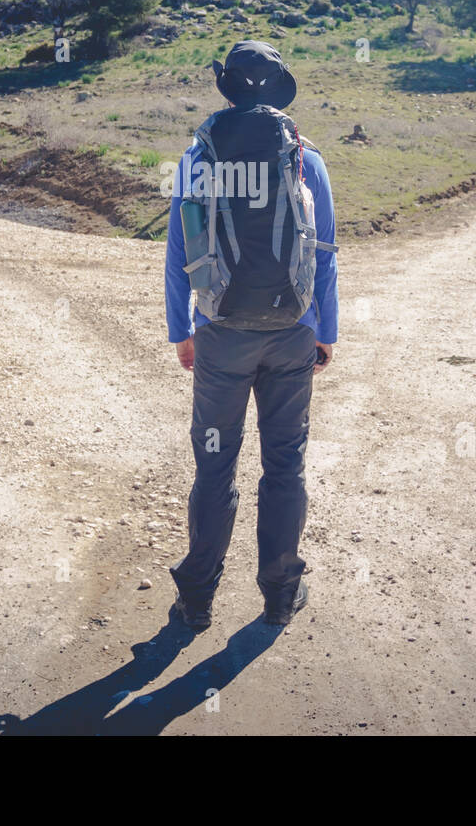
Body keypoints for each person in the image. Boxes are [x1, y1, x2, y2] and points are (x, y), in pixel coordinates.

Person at [163, 40, 338, 629]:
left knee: (215, 466)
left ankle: (196, 601)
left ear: (228, 87)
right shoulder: (304, 159)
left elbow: (179, 251)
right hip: (292, 331)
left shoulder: (198, 156)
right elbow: (326, 254)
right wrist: (324, 329)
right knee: (284, 464)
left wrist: (182, 329)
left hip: (219, 333)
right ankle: (280, 594)